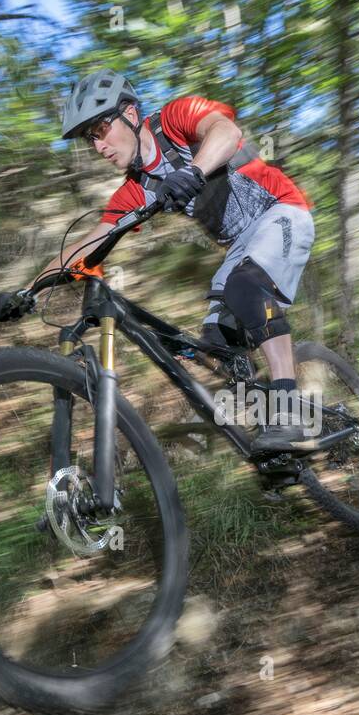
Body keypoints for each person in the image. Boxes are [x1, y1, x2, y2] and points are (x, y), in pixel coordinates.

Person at [35, 69, 315, 453]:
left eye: (100, 130)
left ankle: (289, 415)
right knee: (217, 344)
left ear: (130, 115)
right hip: (240, 246)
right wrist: (29, 290)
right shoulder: (135, 190)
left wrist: (194, 170)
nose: (98, 146)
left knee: (246, 287)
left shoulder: (177, 118)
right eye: (90, 140)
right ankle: (274, 452)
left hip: (282, 212)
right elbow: (91, 240)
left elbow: (226, 133)